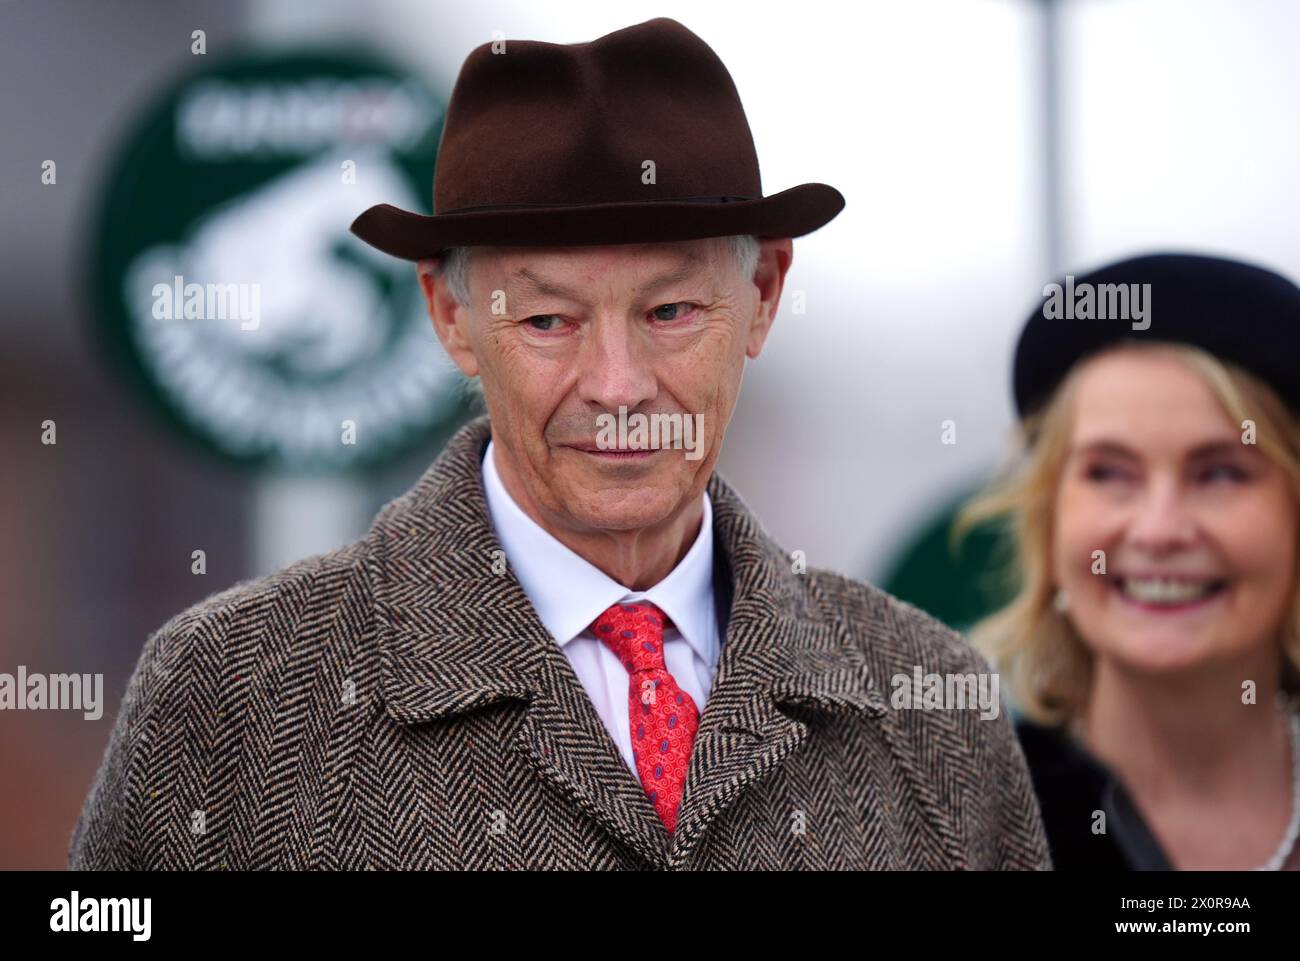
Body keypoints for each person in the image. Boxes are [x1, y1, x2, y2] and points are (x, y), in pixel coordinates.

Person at [70, 17, 1048, 870]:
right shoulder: (227, 697)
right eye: (548, 321)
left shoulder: (937, 716)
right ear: (450, 315)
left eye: (669, 310)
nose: (617, 385)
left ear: (762, 295)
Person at [959, 252, 1300, 870]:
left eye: (1221, 472)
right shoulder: (950, 825)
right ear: (1049, 518)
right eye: (1109, 472)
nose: (1160, 528)